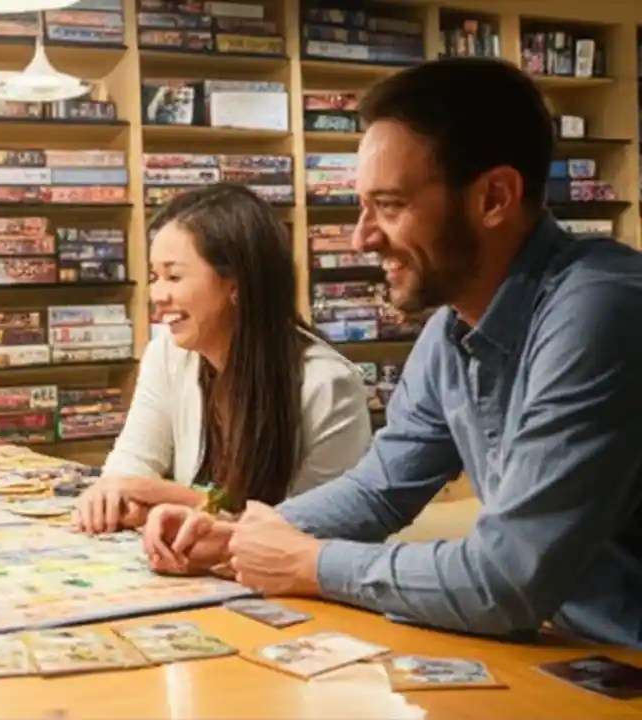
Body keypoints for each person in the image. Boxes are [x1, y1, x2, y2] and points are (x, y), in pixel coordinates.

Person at [143, 57, 642, 649]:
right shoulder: (451, 330)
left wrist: (311, 564)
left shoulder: (600, 310)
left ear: (494, 198)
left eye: (390, 206)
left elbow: (508, 579)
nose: (362, 237)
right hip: (575, 649)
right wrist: (235, 534)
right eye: (362, 207)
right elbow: (380, 488)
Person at [74, 184, 372, 534]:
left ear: (236, 285)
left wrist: (166, 497)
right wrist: (110, 497)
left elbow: (309, 533)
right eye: (155, 277)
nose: (157, 295)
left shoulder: (328, 386)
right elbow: (129, 469)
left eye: (174, 276)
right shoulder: (167, 355)